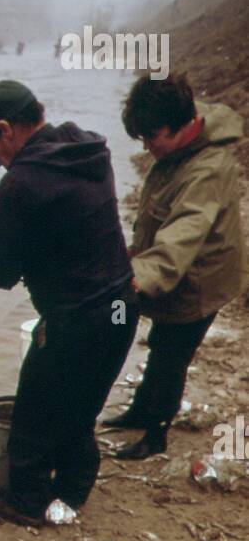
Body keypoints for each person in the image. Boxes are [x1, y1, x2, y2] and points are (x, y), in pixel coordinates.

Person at [0, 80, 138, 525]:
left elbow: (4, 272)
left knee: (34, 411)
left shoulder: (21, 182)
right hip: (122, 307)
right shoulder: (87, 150)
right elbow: (61, 227)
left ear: (5, 130)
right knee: (80, 406)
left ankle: (25, 502)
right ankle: (73, 491)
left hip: (78, 320)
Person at [102, 72, 248, 459]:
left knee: (171, 355)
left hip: (201, 278)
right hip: (180, 268)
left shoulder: (208, 169)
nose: (148, 147)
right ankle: (139, 410)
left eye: (153, 138)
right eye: (142, 139)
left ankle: (155, 434)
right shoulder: (181, 135)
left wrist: (135, 278)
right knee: (160, 343)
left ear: (184, 125)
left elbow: (182, 235)